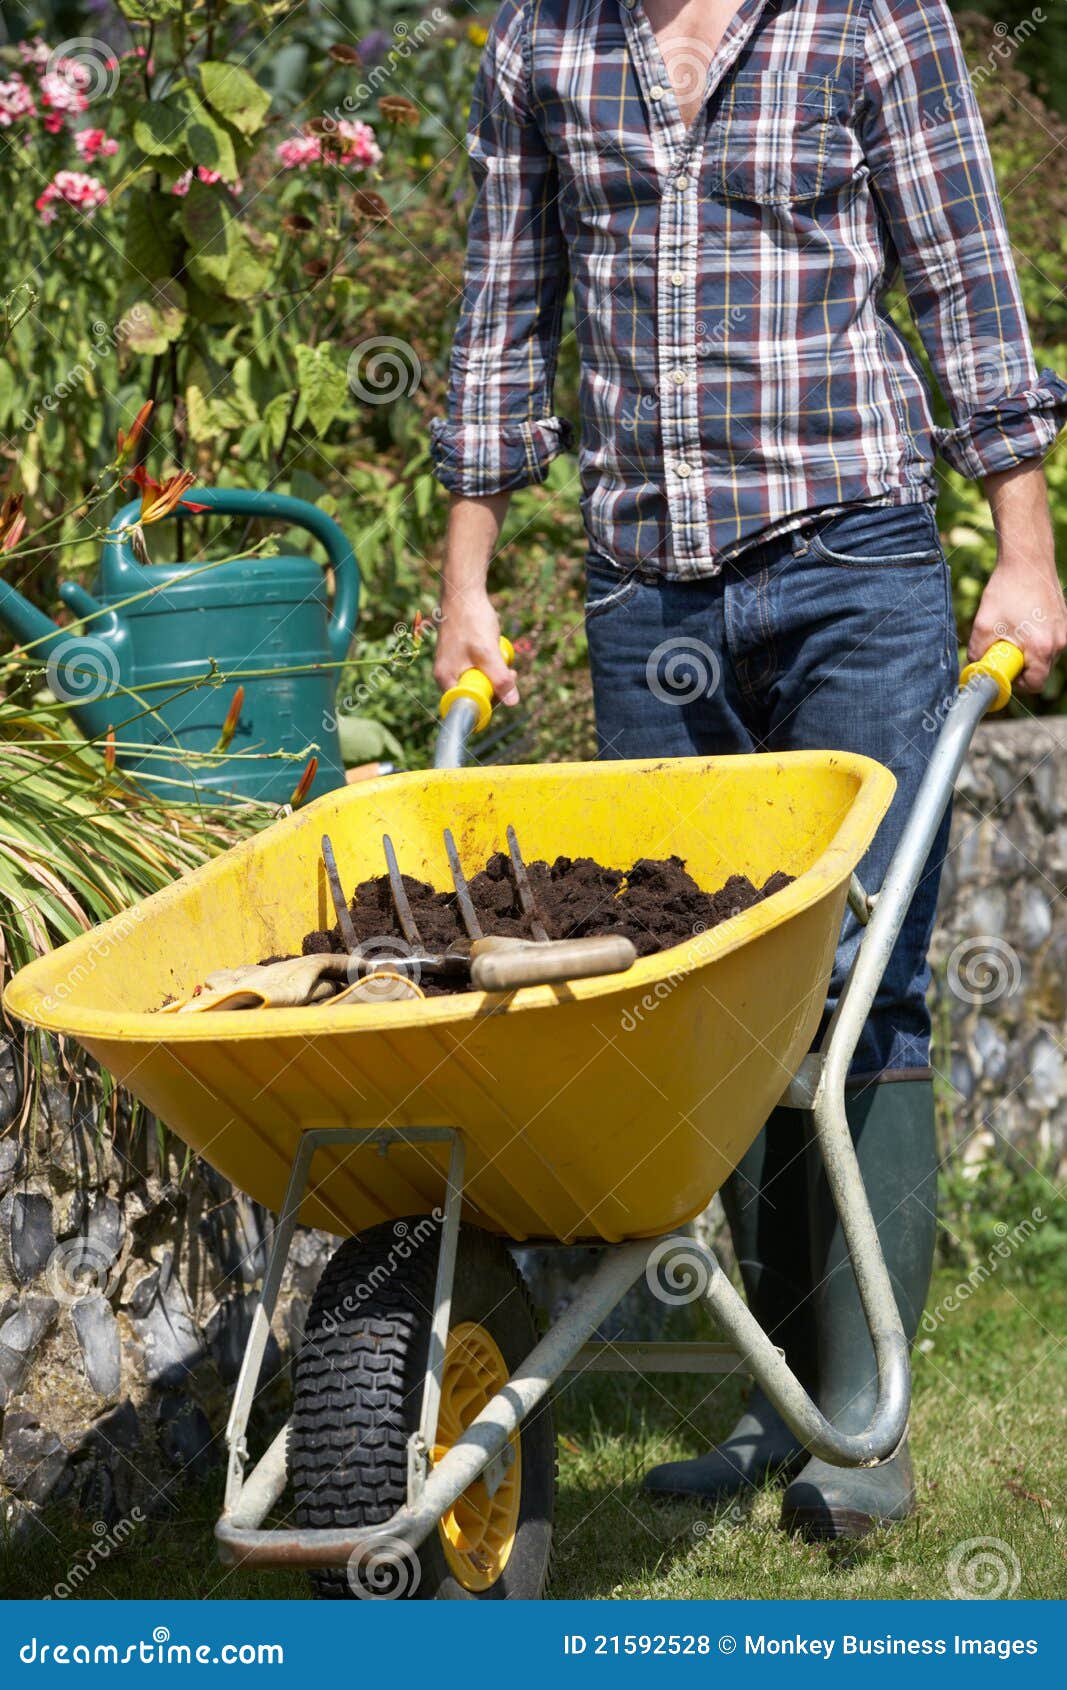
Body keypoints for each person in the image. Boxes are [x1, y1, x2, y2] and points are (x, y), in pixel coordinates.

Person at [428, 0, 1067, 1540]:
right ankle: (766, 1398)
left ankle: (858, 1417)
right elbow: (503, 319)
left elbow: (967, 281)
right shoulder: (543, 45)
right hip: (650, 587)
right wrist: (464, 584)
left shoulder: (872, 19)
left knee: (861, 977)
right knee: (705, 993)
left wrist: (1027, 549)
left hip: (854, 553)